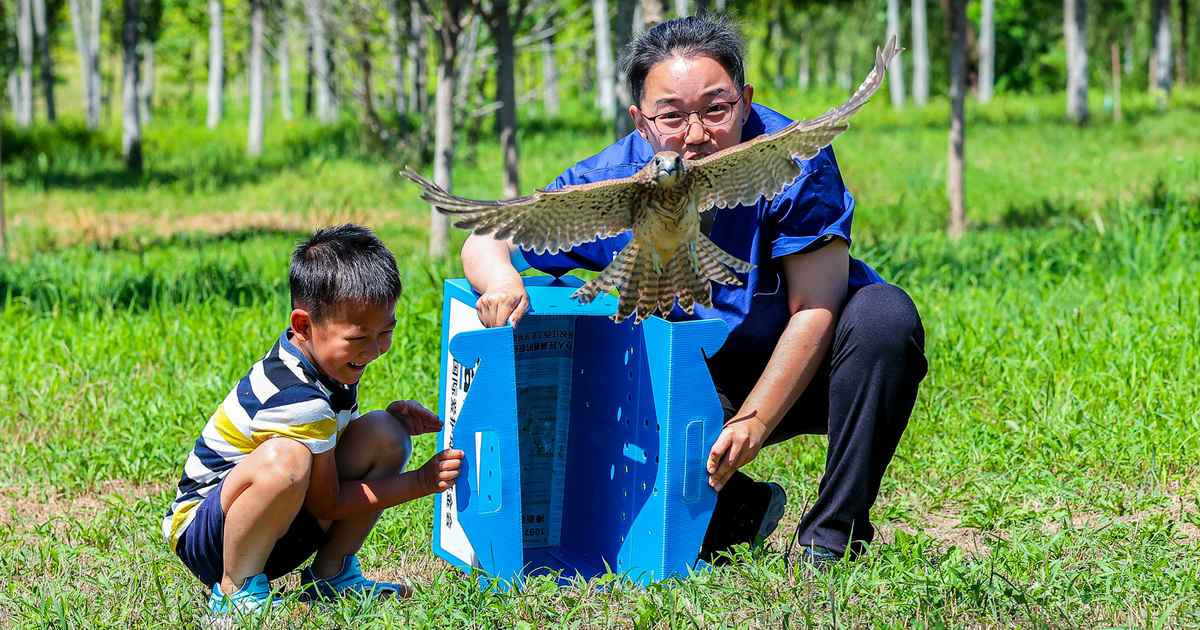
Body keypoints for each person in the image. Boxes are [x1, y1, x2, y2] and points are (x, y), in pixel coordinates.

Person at [459, 15, 926, 570]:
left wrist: (754, 421)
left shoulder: (791, 156)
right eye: (672, 116)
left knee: (883, 317)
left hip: (817, 364)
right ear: (641, 121)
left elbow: (817, 306)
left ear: (745, 101)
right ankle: (739, 510)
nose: (697, 133)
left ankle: (832, 536)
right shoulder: (615, 178)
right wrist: (504, 281)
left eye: (716, 108)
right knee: (665, 537)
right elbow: (488, 236)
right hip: (687, 381)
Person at [162, 223, 465, 615]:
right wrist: (421, 482)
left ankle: (331, 576)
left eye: (386, 331)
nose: (375, 350)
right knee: (286, 460)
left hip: (276, 527)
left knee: (385, 434)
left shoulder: (324, 362)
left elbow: (330, 451)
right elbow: (328, 501)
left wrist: (390, 421)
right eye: (359, 338)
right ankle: (234, 590)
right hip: (210, 539)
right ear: (304, 325)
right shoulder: (295, 396)